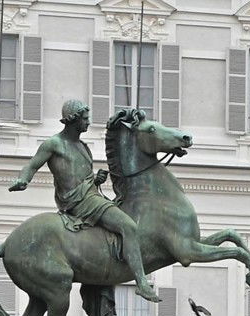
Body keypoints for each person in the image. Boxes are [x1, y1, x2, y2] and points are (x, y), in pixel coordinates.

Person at [9, 100, 160, 302]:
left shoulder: (83, 146)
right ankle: (141, 283)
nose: (88, 123)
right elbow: (32, 165)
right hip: (78, 201)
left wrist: (95, 180)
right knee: (128, 226)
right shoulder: (54, 144)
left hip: (91, 195)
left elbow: (81, 176)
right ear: (73, 120)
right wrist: (23, 180)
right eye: (85, 119)